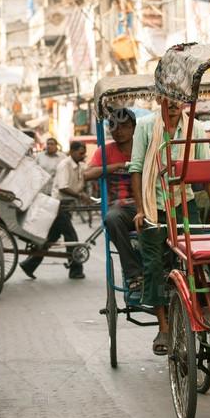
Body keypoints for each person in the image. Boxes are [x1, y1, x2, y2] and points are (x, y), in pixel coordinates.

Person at [131, 97, 210, 356]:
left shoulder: (195, 127)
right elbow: (137, 169)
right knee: (154, 265)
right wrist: (141, 209)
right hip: (154, 204)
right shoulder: (145, 126)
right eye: (168, 97)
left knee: (197, 262)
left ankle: (204, 315)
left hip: (185, 205)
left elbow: (206, 171)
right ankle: (163, 326)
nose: (173, 103)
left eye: (178, 98)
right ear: (160, 98)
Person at [83, 108, 142, 290]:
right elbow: (87, 174)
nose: (119, 131)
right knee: (112, 219)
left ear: (133, 127)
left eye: (124, 126)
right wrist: (116, 166)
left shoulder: (144, 147)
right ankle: (134, 274)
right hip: (121, 208)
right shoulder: (105, 151)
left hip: (146, 203)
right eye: (114, 127)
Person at [19, 141, 89, 280]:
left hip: (66, 205)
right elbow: (63, 187)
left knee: (52, 237)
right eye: (81, 153)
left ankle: (29, 264)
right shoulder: (65, 165)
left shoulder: (79, 166)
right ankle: (75, 270)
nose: (83, 156)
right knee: (72, 237)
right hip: (58, 205)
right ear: (73, 152)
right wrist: (80, 196)